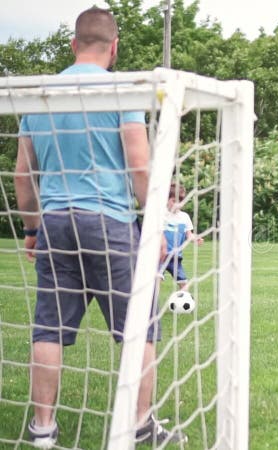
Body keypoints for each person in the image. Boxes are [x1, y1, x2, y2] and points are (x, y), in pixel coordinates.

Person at [14, 7, 186, 447]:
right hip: (109, 223)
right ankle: (141, 423)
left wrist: (32, 229)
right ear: (115, 47)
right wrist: (155, 229)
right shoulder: (120, 90)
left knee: (48, 328)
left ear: (73, 44)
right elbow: (140, 166)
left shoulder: (39, 96)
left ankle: (42, 429)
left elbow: (22, 176)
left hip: (55, 224)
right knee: (139, 327)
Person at [161, 183, 204, 292]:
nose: (177, 204)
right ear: (166, 200)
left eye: (180, 202)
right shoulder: (161, 215)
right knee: (156, 279)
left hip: (176, 258)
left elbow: (189, 235)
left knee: (183, 283)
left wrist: (195, 239)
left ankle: (186, 299)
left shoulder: (184, 217)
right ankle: (152, 301)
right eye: (173, 201)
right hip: (160, 256)